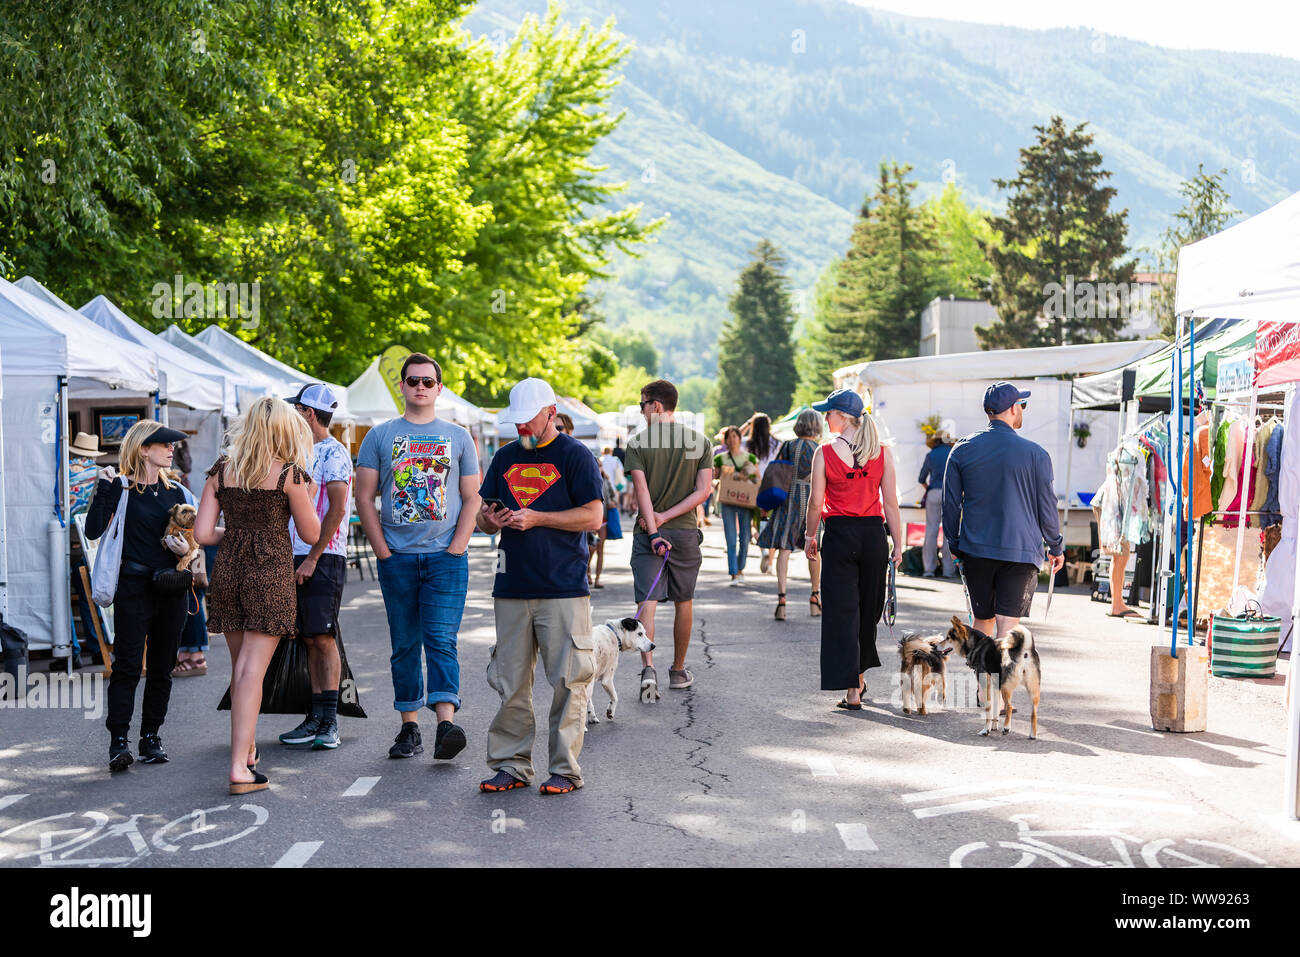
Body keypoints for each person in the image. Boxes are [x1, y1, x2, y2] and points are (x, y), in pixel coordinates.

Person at [476, 377, 604, 795]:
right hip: (511, 584)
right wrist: (489, 521)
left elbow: (593, 517)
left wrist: (538, 517)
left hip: (564, 586)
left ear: (551, 412)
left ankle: (565, 769)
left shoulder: (575, 455)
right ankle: (511, 765)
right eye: (515, 421)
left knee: (569, 681)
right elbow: (481, 515)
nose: (520, 429)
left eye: (527, 420)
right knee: (511, 681)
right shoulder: (504, 457)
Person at [356, 352, 479, 762]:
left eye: (428, 382)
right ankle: (409, 727)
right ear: (403, 386)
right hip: (399, 558)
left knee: (441, 640)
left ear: (439, 388)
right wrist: (383, 552)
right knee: (405, 644)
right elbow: (364, 497)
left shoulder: (459, 436)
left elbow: (471, 497)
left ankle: (446, 722)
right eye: (413, 381)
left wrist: (458, 545)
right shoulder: (379, 436)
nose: (421, 388)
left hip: (446, 557)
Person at [196, 398, 320, 794]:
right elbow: (312, 534)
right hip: (269, 575)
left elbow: (201, 535)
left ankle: (248, 750)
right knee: (253, 671)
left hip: (229, 573)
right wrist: (308, 494)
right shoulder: (289, 475)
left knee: (241, 668)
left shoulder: (221, 472)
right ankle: (238, 768)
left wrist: (235, 537)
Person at [85, 421, 196, 772]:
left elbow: (196, 539)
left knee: (162, 668)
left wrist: (185, 552)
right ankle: (119, 740)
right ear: (143, 449)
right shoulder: (119, 488)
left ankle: (151, 737)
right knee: (127, 666)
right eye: (164, 444)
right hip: (133, 589)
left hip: (171, 590)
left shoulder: (177, 493)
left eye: (171, 445)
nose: (171, 449)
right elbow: (92, 531)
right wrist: (104, 491)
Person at [942, 382, 1064, 652]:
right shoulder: (1036, 454)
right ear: (1012, 408)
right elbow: (1047, 506)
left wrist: (955, 545)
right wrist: (1056, 546)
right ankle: (997, 691)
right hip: (1021, 552)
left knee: (981, 619)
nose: (1022, 410)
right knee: (1008, 627)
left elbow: (950, 505)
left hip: (976, 549)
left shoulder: (962, 449)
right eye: (1022, 405)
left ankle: (984, 688)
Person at [804, 390, 903, 709]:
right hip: (873, 536)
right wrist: (899, 544)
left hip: (840, 535)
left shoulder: (824, 452)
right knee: (867, 611)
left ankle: (852, 690)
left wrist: (809, 535)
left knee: (842, 612)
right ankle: (858, 676)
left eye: (828, 413)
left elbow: (816, 502)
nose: (825, 418)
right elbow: (890, 502)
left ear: (842, 417)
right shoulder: (882, 452)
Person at [625, 379, 712, 699]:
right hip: (686, 532)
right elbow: (704, 491)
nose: (641, 411)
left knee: (646, 601)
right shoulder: (699, 441)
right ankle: (678, 669)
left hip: (649, 534)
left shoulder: (638, 444)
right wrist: (669, 516)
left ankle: (648, 668)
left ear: (657, 406)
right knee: (683, 601)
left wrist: (654, 526)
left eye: (643, 404)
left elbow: (642, 492)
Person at [279, 384, 353, 750]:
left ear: (308, 413)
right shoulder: (296, 452)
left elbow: (338, 509)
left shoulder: (334, 452)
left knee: (323, 636)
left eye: (295, 409)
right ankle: (315, 716)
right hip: (292, 553)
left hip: (323, 556)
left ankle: (330, 721)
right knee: (308, 635)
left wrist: (312, 556)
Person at [758, 409, 822, 620]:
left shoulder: (788, 445)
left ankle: (782, 600)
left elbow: (774, 472)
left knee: (784, 548)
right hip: (811, 499)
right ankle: (815, 596)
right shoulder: (819, 449)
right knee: (813, 548)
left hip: (787, 499)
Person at [713, 426, 758, 586]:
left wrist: (747, 475)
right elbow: (714, 477)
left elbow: (756, 479)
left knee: (745, 538)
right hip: (727, 501)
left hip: (745, 501)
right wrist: (721, 478)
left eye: (734, 436)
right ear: (725, 440)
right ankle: (733, 573)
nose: (732, 440)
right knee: (731, 538)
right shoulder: (720, 458)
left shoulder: (749, 458)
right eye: (729, 437)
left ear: (740, 438)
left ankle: (740, 569)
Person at [744, 413, 781, 574]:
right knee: (772, 523)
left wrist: (747, 422)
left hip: (752, 486)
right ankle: (771, 563)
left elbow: (731, 438)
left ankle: (762, 548)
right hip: (773, 487)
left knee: (756, 522)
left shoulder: (747, 444)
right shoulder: (777, 443)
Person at [919, 429, 956, 578]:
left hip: (933, 493)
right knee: (949, 532)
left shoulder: (931, 454)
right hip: (950, 494)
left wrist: (930, 488)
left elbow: (921, 478)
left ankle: (929, 569)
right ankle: (948, 570)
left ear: (936, 441)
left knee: (931, 531)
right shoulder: (953, 453)